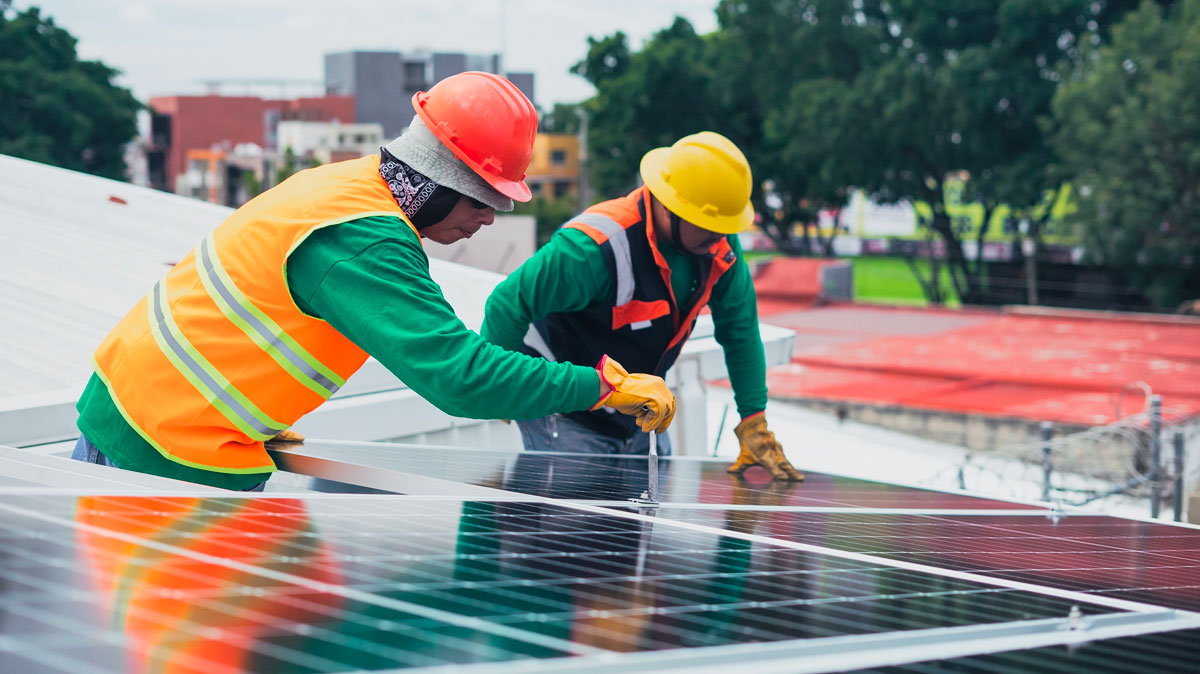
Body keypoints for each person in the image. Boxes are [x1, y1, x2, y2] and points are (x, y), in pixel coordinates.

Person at [70, 71, 676, 491]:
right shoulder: (365, 239)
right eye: (485, 198)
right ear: (442, 177)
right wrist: (601, 386)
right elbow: (458, 378)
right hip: (159, 444)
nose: (489, 218)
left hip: (149, 414)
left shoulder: (346, 186)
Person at [481, 131, 802, 480]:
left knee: (639, 523)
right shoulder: (593, 247)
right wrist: (501, 391)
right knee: (576, 521)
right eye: (710, 226)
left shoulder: (718, 249)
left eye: (725, 227)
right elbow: (507, 304)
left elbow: (740, 331)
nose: (721, 238)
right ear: (669, 206)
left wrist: (754, 420)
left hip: (640, 412)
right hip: (566, 410)